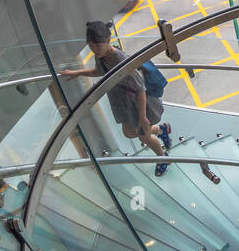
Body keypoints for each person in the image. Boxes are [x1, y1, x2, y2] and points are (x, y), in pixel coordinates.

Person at [61, 20, 174, 175]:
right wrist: (77, 73)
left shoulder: (120, 59)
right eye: (91, 46)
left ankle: (163, 157)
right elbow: (100, 71)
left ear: (108, 40)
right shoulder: (101, 56)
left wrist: (142, 118)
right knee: (128, 132)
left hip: (137, 104)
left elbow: (140, 88)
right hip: (124, 103)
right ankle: (161, 130)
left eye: (98, 45)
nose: (95, 49)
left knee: (143, 136)